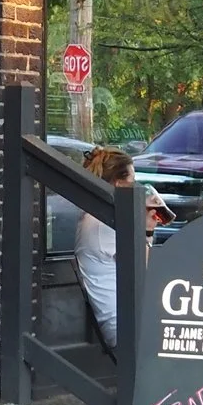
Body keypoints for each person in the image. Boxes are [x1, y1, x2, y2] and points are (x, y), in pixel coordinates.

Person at [69, 147, 163, 353]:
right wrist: (147, 229)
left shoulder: (97, 218)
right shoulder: (104, 225)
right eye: (133, 182)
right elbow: (143, 272)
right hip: (127, 328)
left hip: (130, 321)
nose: (136, 187)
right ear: (119, 184)